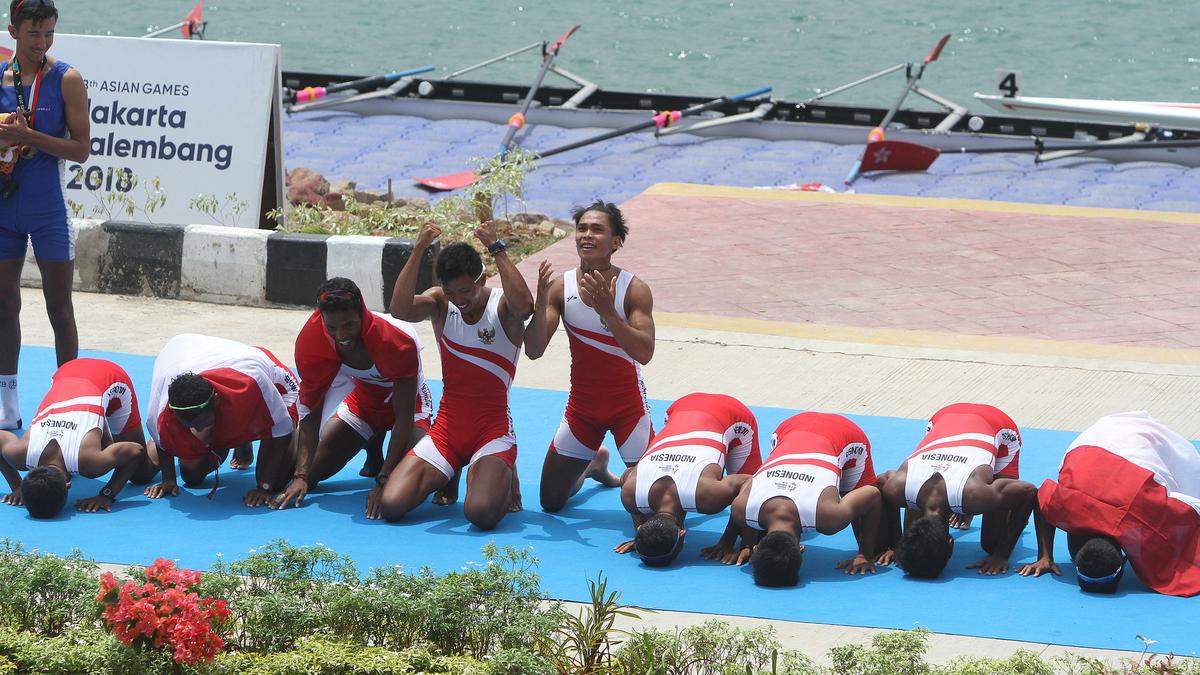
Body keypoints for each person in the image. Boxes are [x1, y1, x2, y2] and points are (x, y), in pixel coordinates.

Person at [382, 219, 533, 530]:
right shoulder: (440, 303)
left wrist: (497, 247)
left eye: (465, 290)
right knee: (392, 505)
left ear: (483, 279)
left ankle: (501, 470)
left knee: (480, 514)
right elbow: (399, 309)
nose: (459, 300)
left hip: (492, 431)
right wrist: (419, 248)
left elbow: (526, 306)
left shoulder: (502, 306)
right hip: (448, 431)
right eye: (452, 292)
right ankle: (455, 470)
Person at [524, 200, 656, 512]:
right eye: (581, 228)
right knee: (551, 502)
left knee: (652, 502)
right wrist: (541, 301)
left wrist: (609, 313)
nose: (586, 235)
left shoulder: (634, 289)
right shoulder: (561, 287)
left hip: (628, 409)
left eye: (597, 229)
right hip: (582, 410)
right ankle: (594, 461)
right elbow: (533, 350)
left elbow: (645, 352)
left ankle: (605, 460)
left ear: (616, 242)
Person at [0, 0, 90, 431]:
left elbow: (81, 149)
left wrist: (27, 135)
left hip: (48, 211)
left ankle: (68, 399)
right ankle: (8, 400)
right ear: (13, 31)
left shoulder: (66, 79)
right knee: (4, 304)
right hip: (3, 208)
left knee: (60, 309)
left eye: (49, 33)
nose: (42, 43)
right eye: (34, 33)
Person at [273, 278, 434, 508]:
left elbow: (403, 417)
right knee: (306, 474)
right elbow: (311, 410)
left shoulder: (396, 341)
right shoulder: (311, 340)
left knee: (400, 494)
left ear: (362, 313)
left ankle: (444, 461)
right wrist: (300, 476)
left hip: (410, 407)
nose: (340, 335)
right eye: (332, 327)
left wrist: (384, 479)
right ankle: (373, 440)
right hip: (365, 402)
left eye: (348, 325)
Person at [1017, 411, 1200, 597]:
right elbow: (1041, 498)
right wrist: (1045, 557)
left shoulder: (1149, 516)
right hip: (1092, 443)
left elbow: (1191, 511)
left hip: (1132, 444)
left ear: (1124, 560)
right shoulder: (1068, 504)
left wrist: (1045, 556)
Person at [876, 402, 1038, 578]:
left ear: (951, 542)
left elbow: (1029, 492)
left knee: (992, 544)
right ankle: (963, 508)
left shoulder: (976, 494)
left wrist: (1001, 554)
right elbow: (880, 482)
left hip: (996, 424)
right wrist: (896, 544)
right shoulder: (896, 488)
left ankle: (976, 509)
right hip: (943, 416)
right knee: (925, 505)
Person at [144, 334, 300, 506]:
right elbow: (161, 440)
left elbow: (282, 429)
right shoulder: (159, 409)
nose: (197, 427)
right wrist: (168, 479)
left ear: (216, 401)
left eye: (202, 423)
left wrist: (265, 486)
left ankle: (250, 435)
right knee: (192, 476)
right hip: (192, 354)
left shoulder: (250, 383)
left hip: (277, 383)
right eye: (191, 426)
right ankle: (235, 437)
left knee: (277, 480)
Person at [729, 412, 882, 586]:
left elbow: (874, 494)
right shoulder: (741, 509)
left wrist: (866, 555)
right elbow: (750, 481)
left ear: (801, 550)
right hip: (788, 427)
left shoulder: (829, 517)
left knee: (878, 545)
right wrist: (747, 543)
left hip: (844, 433)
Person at [614, 392, 760, 566]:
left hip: (732, 414)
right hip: (679, 408)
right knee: (749, 519)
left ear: (683, 533)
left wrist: (737, 542)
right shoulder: (630, 495)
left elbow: (751, 482)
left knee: (756, 521)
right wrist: (644, 537)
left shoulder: (707, 497)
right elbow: (628, 476)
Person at [0, 357, 156, 517]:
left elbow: (136, 451)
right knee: (104, 449)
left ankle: (159, 437)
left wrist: (107, 494)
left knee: (142, 475)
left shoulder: (89, 464)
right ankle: (100, 427)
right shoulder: (20, 454)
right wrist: (17, 486)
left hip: (110, 377)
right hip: (67, 370)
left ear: (68, 485)